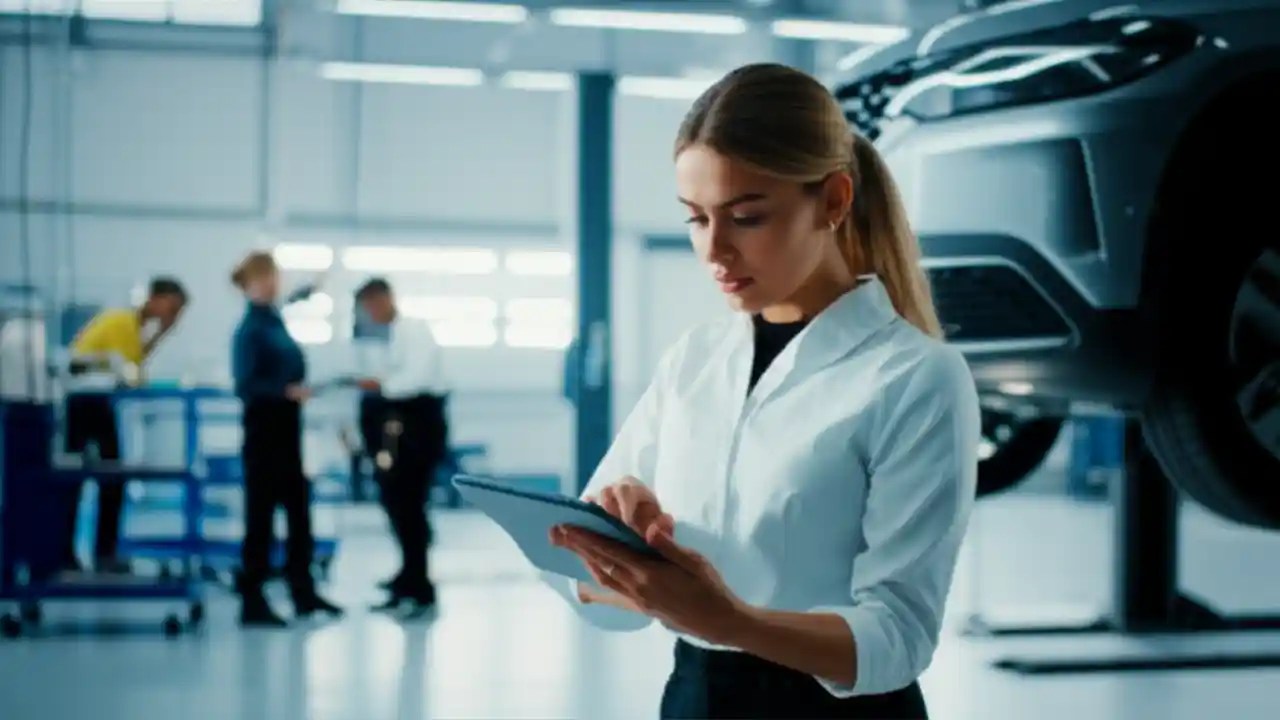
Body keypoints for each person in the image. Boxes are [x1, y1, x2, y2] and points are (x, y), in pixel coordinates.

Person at [547, 64, 980, 720]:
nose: (714, 250)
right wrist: (617, 532)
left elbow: (900, 636)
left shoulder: (915, 376)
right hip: (694, 697)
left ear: (834, 202)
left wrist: (733, 622)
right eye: (696, 219)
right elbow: (580, 577)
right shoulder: (694, 359)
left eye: (746, 217)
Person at [230, 251, 342, 627]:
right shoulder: (250, 331)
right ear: (247, 285)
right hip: (264, 432)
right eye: (261, 279)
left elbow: (294, 298)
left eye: (272, 277)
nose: (269, 284)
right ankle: (253, 599)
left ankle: (303, 592)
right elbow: (246, 385)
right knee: (260, 518)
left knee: (298, 514)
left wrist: (313, 285)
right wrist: (285, 391)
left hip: (287, 431)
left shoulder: (274, 319)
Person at [63, 277, 188, 574]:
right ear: (156, 299)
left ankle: (96, 553)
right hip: (87, 403)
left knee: (104, 479)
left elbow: (132, 363)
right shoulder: (122, 322)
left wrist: (161, 334)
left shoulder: (127, 324)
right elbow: (133, 374)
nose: (173, 316)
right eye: (172, 308)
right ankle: (89, 554)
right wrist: (161, 334)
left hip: (95, 402)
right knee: (94, 480)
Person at [354, 278, 448, 614]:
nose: (370, 314)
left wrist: (380, 384)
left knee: (409, 506)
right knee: (397, 503)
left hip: (417, 429)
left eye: (372, 305)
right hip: (404, 428)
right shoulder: (395, 335)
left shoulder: (414, 331)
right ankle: (408, 576)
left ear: (386, 299)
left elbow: (415, 379)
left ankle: (419, 588)